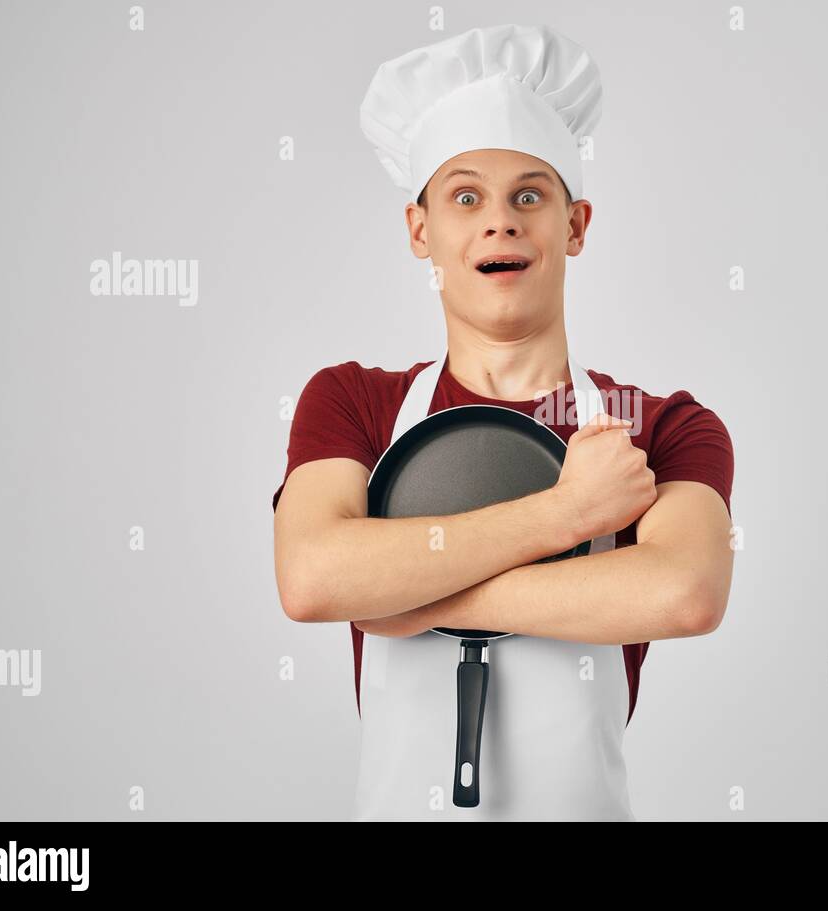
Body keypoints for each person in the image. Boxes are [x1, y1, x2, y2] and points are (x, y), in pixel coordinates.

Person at [271, 24, 735, 820]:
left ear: (575, 225)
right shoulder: (355, 404)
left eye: (530, 194)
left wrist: (407, 596)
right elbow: (313, 576)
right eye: (464, 196)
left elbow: (688, 590)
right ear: (423, 232)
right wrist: (566, 514)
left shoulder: (659, 427)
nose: (501, 221)